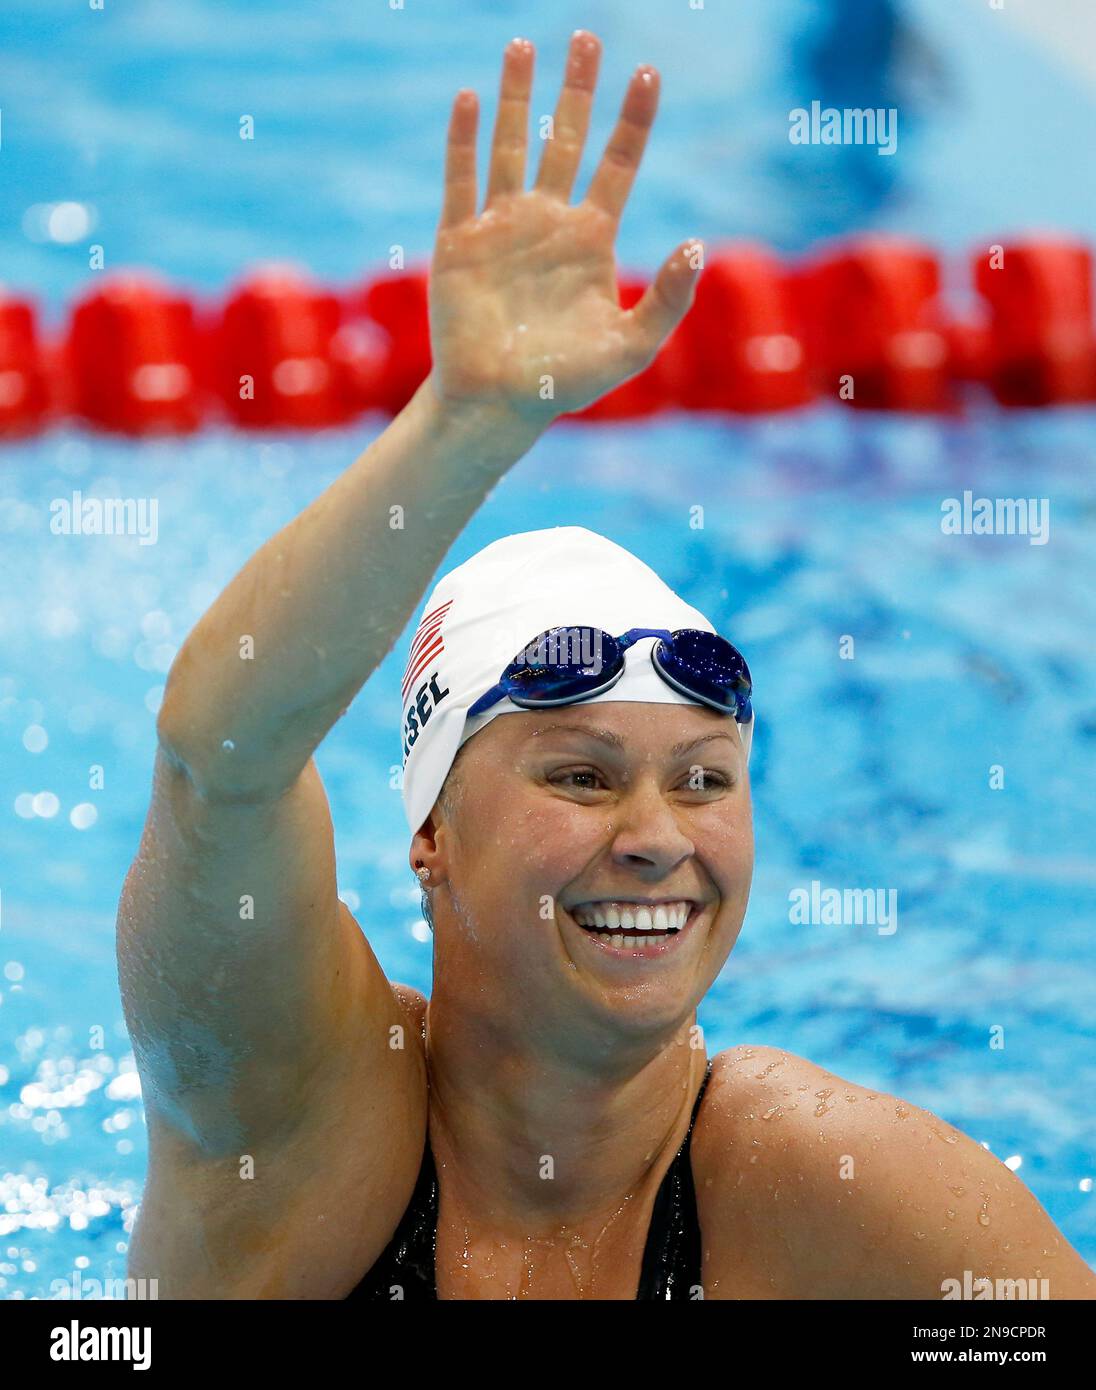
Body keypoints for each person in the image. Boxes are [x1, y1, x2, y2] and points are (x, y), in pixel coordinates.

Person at [117, 30, 1096, 1300]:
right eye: (580, 777)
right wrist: (466, 425)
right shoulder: (297, 1125)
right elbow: (218, 760)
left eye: (701, 781)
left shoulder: (833, 1193)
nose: (654, 838)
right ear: (429, 836)